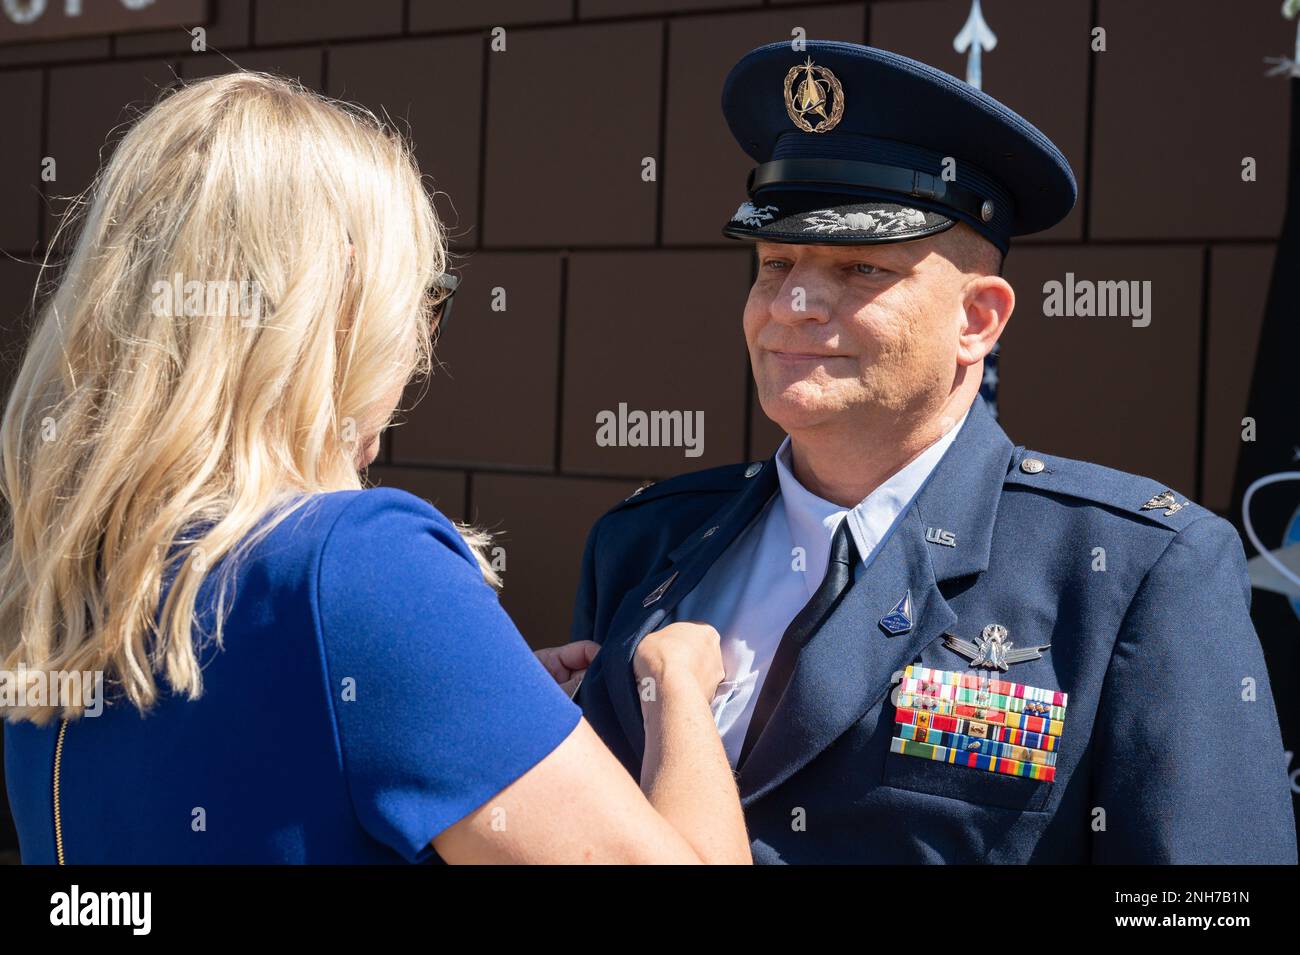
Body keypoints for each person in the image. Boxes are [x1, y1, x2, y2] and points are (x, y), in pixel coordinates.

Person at [563, 41, 1299, 864]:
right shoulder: (641, 547)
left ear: (977, 319)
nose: (794, 304)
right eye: (775, 264)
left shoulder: (1134, 573)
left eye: (858, 267)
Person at [0, 72, 750, 865]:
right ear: (348, 294)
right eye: (427, 298)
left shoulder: (62, 582)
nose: (422, 348)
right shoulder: (358, 561)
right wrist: (677, 689)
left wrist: (464, 689)